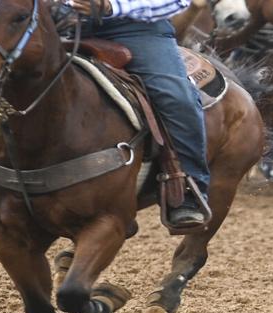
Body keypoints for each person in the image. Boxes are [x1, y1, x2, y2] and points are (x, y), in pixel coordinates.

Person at [71, 0, 210, 227]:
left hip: (135, 29)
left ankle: (188, 189)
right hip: (57, 24)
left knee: (176, 97)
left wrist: (110, 6)